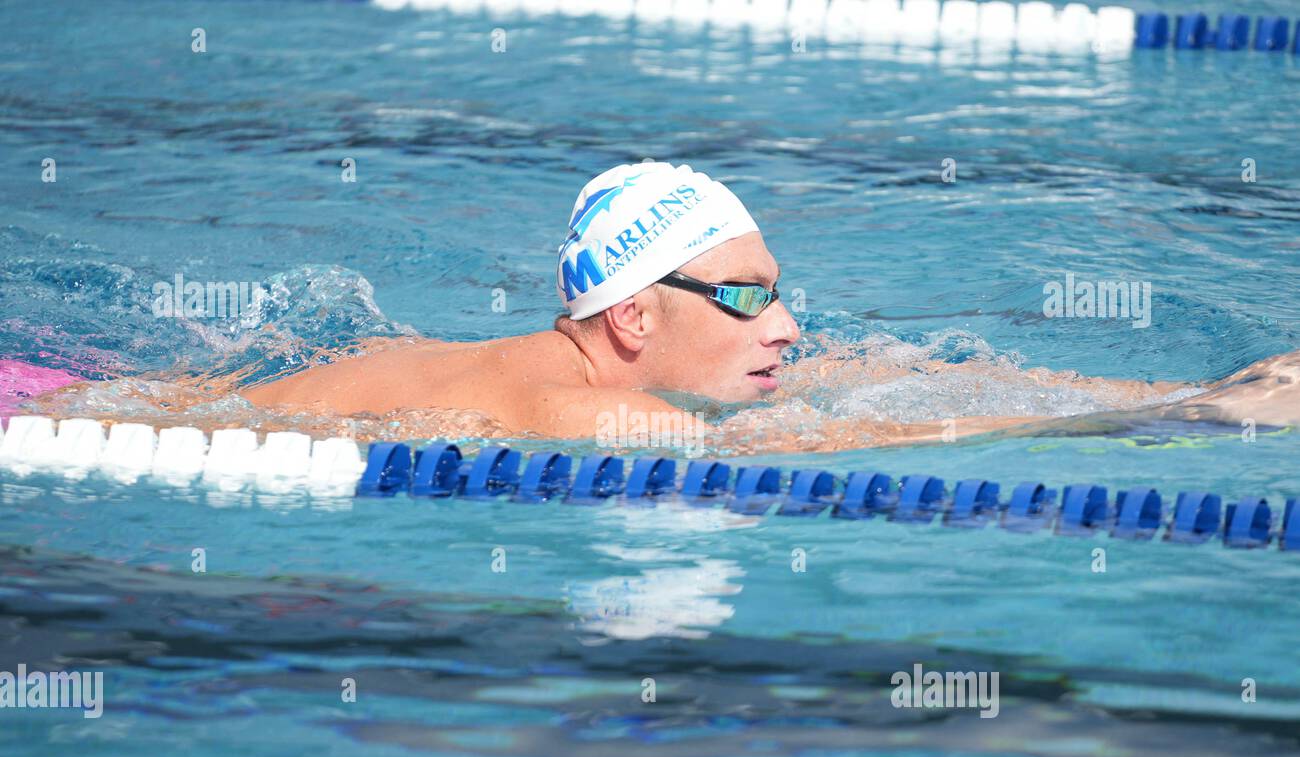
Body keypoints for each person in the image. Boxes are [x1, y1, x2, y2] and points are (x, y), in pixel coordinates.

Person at [243, 162, 1300, 444]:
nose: (786, 327)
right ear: (634, 317)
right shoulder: (596, 418)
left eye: (778, 296)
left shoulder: (619, 359)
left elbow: (898, 381)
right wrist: (1174, 426)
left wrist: (1206, 387)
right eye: (746, 299)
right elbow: (841, 444)